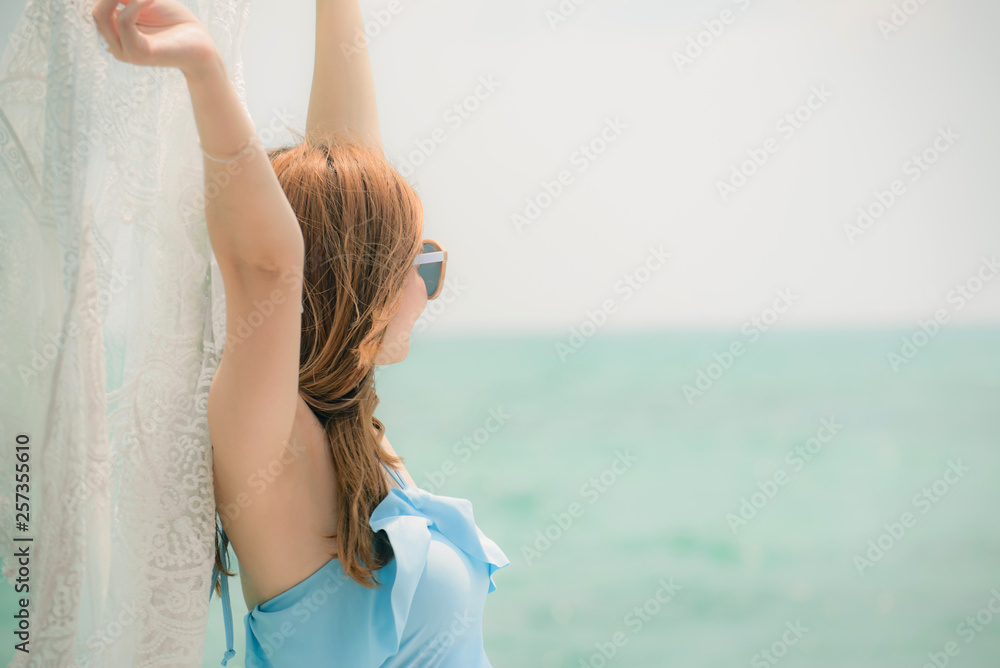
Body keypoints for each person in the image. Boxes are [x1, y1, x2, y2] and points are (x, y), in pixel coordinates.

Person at [90, 0, 509, 665]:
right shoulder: (276, 451)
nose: (432, 290)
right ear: (364, 289)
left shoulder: (348, 431)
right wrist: (205, 73)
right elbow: (270, 266)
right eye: (422, 264)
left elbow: (346, 183)